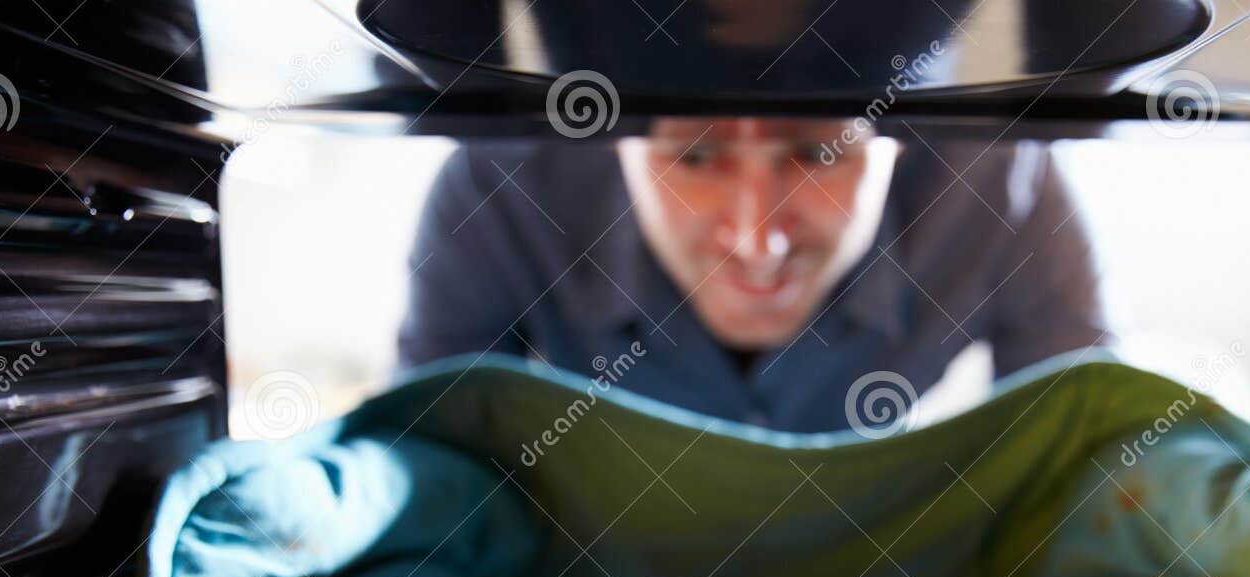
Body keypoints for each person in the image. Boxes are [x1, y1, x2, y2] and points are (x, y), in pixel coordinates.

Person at [398, 117, 1108, 434]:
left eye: (820, 152)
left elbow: (1089, 455)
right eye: (697, 158)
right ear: (618, 142)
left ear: (900, 135)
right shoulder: (500, 183)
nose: (757, 240)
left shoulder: (1002, 182)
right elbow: (432, 453)